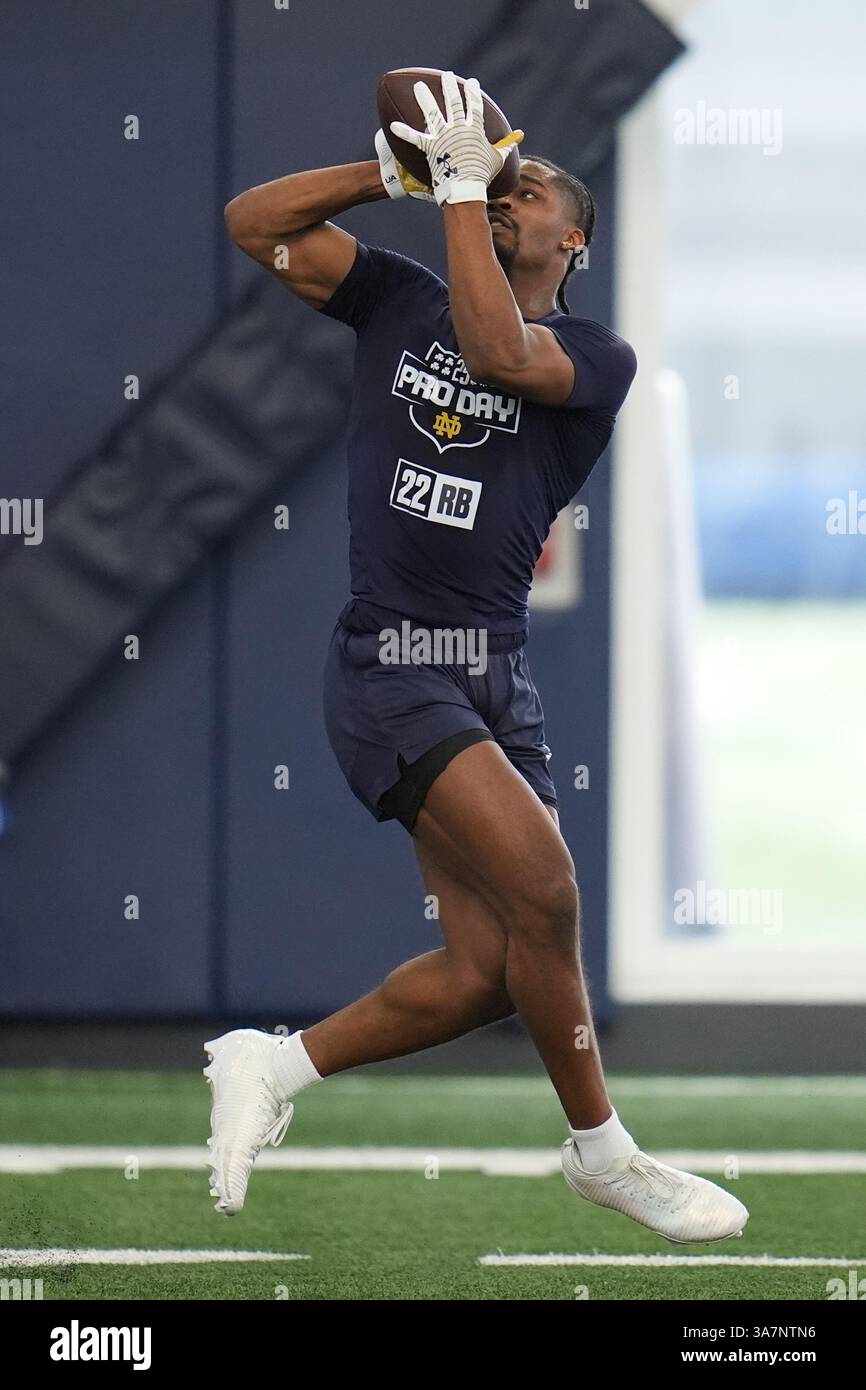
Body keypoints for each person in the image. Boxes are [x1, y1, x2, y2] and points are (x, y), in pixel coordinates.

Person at [204, 73, 748, 1244]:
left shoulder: (595, 356)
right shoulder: (397, 299)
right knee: (547, 884)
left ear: (576, 236)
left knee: (492, 967)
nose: (515, 190)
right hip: (391, 657)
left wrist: (461, 188)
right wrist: (392, 173)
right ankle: (603, 1151)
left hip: (494, 671)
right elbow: (255, 224)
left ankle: (273, 1065)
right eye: (509, 178)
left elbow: (502, 355)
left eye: (535, 186)